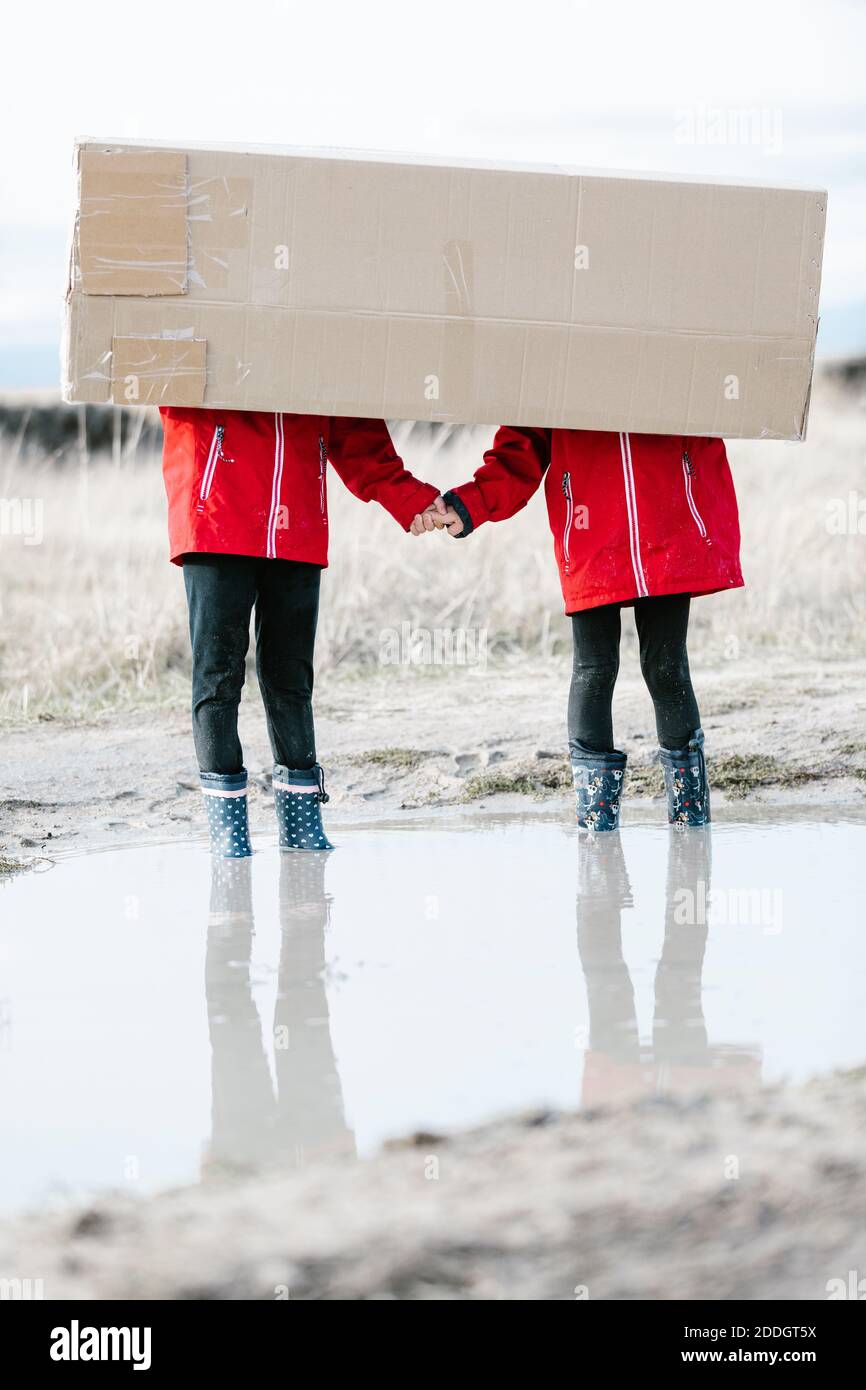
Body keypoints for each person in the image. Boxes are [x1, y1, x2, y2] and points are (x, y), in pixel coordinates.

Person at [419, 429, 743, 830]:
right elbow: (522, 448)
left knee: (667, 666)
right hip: (590, 531)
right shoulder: (559, 368)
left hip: (669, 520)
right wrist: (470, 502)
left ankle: (692, 823)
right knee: (594, 669)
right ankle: (596, 826)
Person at [160, 408, 440, 856]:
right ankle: (229, 837)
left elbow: (354, 431)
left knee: (291, 678)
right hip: (215, 517)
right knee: (218, 678)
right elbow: (164, 371)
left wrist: (409, 499)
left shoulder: (321, 343)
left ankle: (303, 825)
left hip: (298, 526)